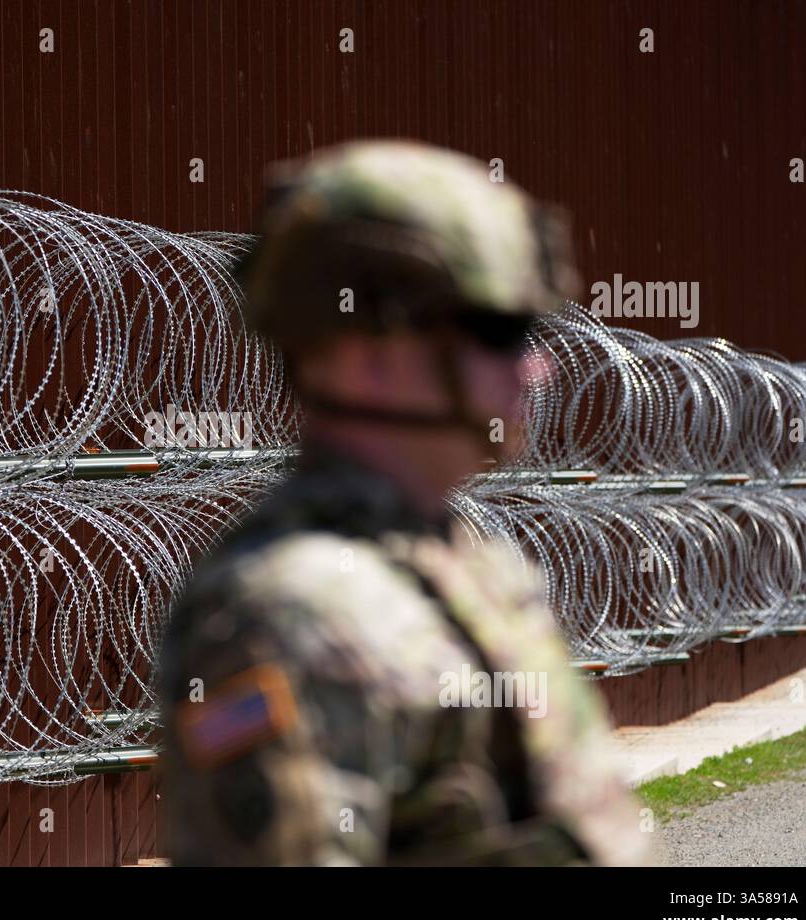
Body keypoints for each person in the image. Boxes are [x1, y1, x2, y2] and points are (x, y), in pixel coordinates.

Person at [158, 141, 652, 865]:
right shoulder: (292, 612)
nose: (538, 364)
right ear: (370, 356)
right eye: (498, 330)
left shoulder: (456, 556)